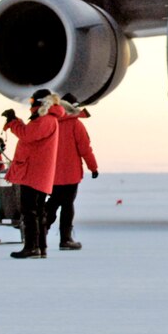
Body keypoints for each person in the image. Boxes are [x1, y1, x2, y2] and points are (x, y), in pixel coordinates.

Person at [2, 89, 64, 259]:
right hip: (38, 173)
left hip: (33, 173)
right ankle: (40, 247)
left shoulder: (45, 120)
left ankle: (31, 247)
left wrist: (13, 122)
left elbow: (27, 135)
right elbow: (30, 133)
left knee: (29, 210)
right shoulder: (48, 119)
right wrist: (15, 121)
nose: (30, 105)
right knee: (37, 211)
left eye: (32, 101)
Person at [45, 93, 99, 250]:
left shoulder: (50, 123)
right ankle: (65, 239)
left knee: (52, 203)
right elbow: (85, 149)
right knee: (67, 205)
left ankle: (39, 233)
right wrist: (93, 167)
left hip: (51, 174)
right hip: (71, 175)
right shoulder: (76, 125)